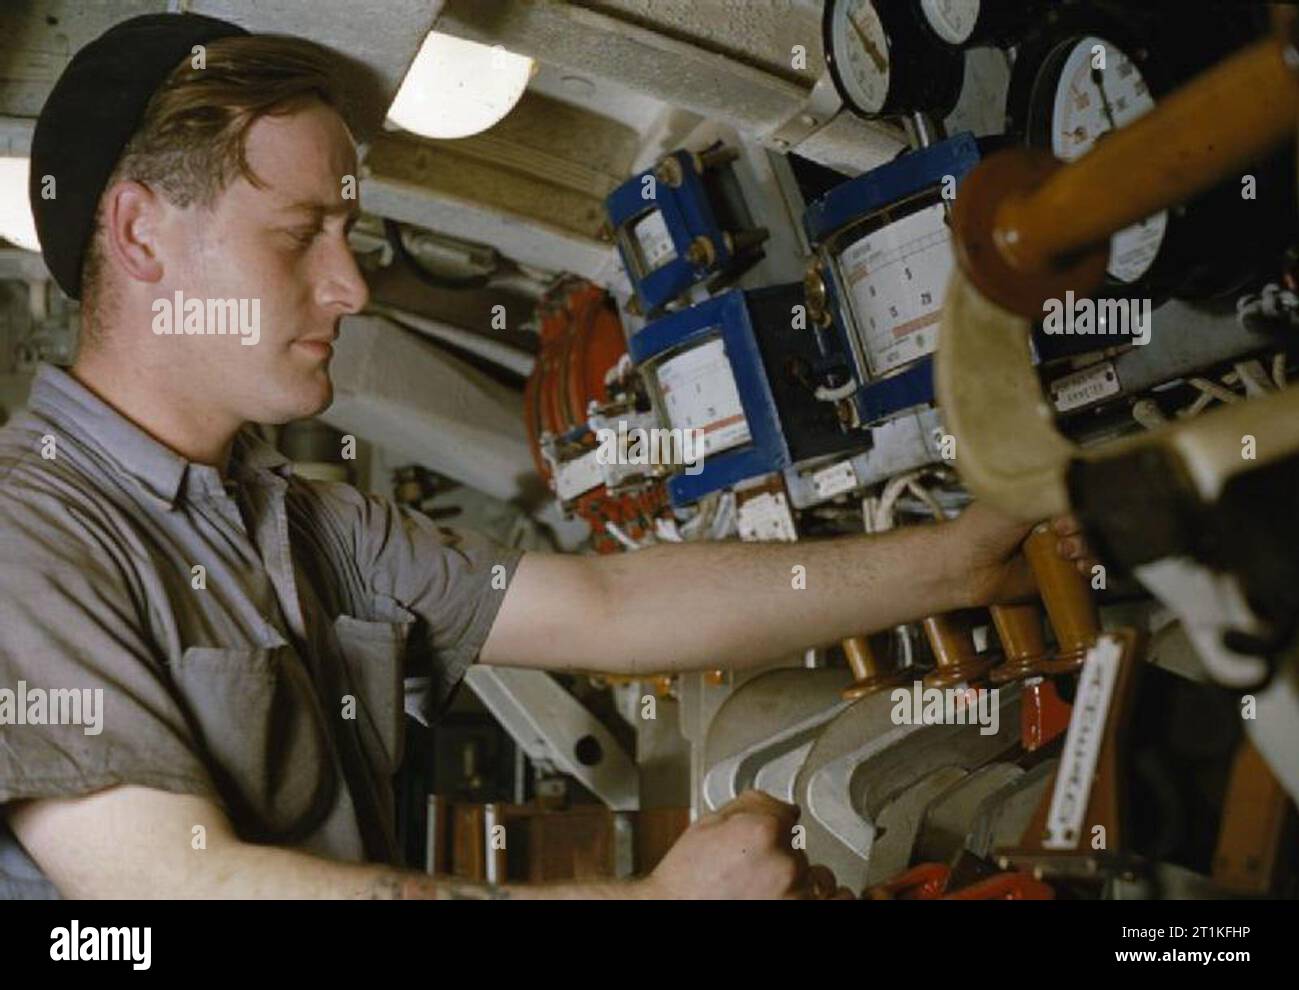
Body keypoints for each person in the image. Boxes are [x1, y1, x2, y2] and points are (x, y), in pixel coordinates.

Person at [0, 13, 1093, 899]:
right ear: (141, 235)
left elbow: (607, 608)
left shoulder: (295, 522)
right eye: (298, 237)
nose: (352, 286)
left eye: (347, 235)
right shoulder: (28, 542)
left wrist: (958, 557)